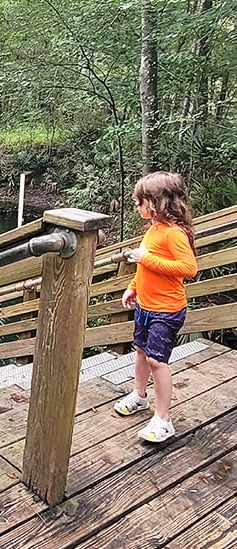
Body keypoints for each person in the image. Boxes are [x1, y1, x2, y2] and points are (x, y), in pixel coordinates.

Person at [113, 172, 198, 442]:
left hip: (167, 310)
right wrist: (133, 287)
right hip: (145, 306)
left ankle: (163, 419)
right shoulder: (152, 229)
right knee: (140, 350)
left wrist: (146, 259)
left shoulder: (174, 233)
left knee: (157, 360)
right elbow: (144, 268)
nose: (136, 206)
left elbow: (189, 268)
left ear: (158, 202)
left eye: (140, 201)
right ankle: (139, 395)